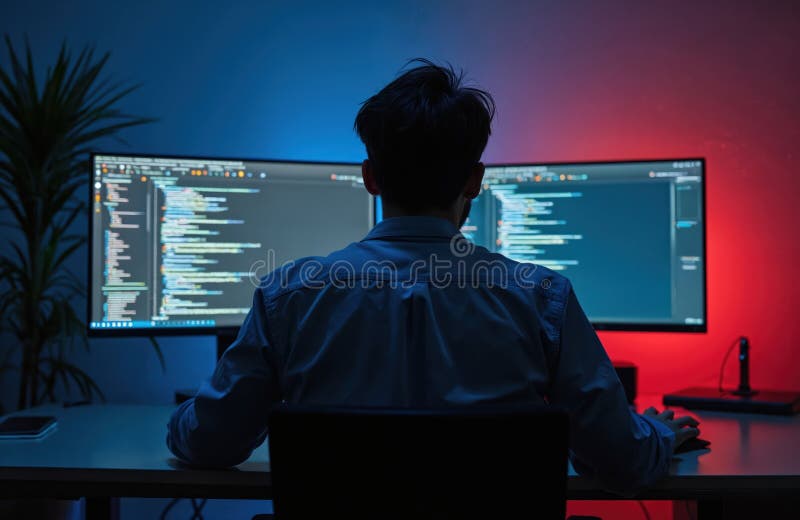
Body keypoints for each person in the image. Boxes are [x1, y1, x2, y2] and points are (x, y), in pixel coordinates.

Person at [167, 59, 699, 493]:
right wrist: (656, 434)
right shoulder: (542, 299)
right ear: (475, 180)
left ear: (370, 177)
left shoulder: (289, 295)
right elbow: (620, 459)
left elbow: (207, 445)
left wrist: (189, 414)